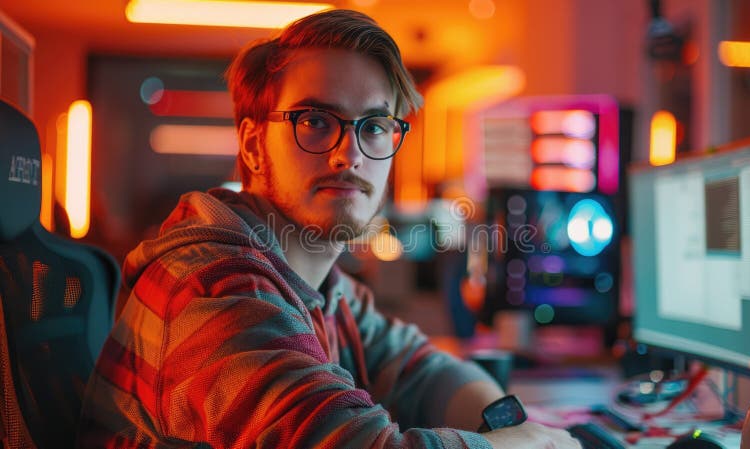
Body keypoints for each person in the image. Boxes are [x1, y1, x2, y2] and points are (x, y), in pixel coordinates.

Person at [78, 9, 580, 449]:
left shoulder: (322, 286)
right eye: (316, 121)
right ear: (253, 145)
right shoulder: (214, 291)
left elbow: (420, 370)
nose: (350, 154)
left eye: (374, 125)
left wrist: (510, 427)